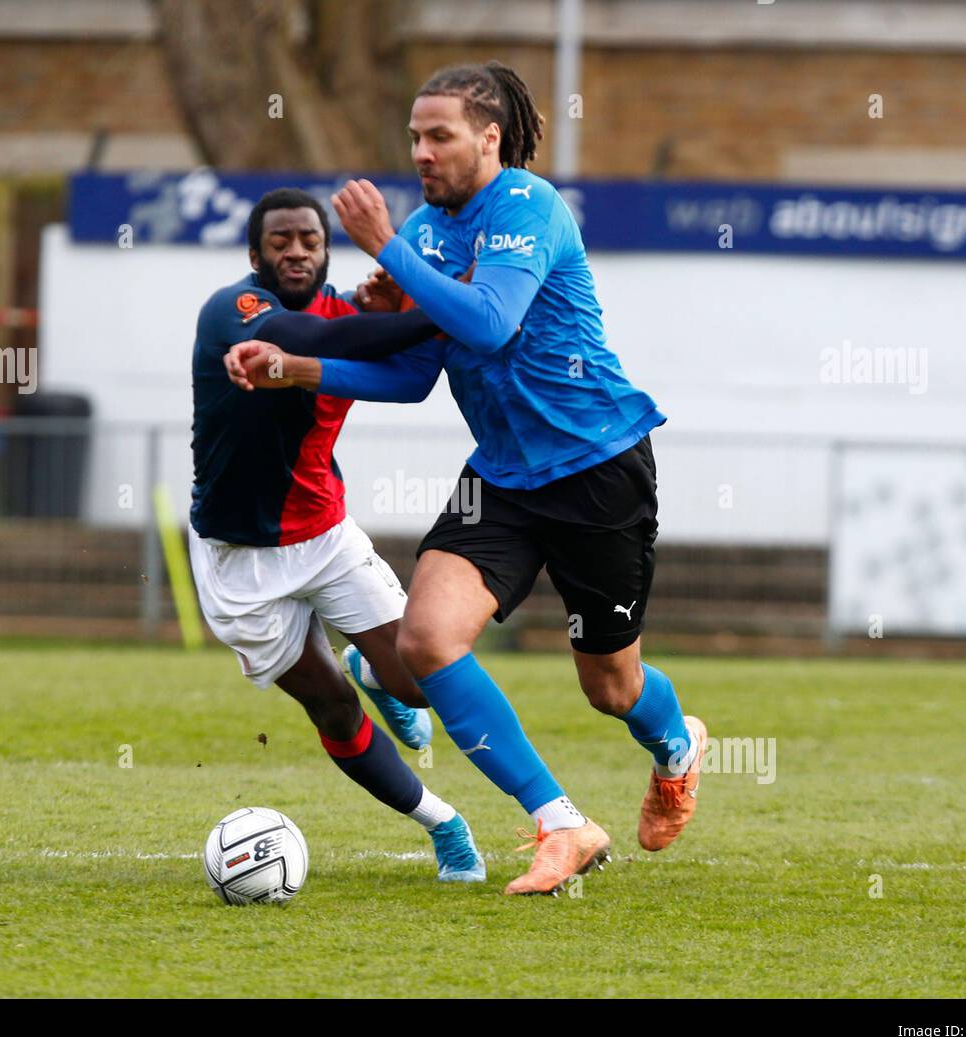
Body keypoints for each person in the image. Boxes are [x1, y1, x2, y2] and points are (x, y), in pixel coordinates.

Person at [224, 64, 709, 896]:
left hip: (596, 467)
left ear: (489, 138)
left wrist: (389, 251)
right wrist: (295, 368)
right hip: (503, 478)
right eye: (415, 136)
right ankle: (562, 824)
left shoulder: (528, 206)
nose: (422, 152)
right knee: (424, 639)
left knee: (611, 685)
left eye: (439, 135)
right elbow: (416, 374)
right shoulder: (429, 230)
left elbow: (489, 321)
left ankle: (676, 749)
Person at [191, 187, 485, 883]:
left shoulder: (355, 311)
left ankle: (370, 663)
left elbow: (388, 358)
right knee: (331, 705)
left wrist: (416, 307)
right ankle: (445, 824)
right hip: (240, 562)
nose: (296, 251)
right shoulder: (233, 311)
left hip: (324, 536)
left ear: (328, 250)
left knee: (418, 688)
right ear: (255, 253)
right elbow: (318, 342)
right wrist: (445, 307)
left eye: (310, 241)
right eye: (281, 241)